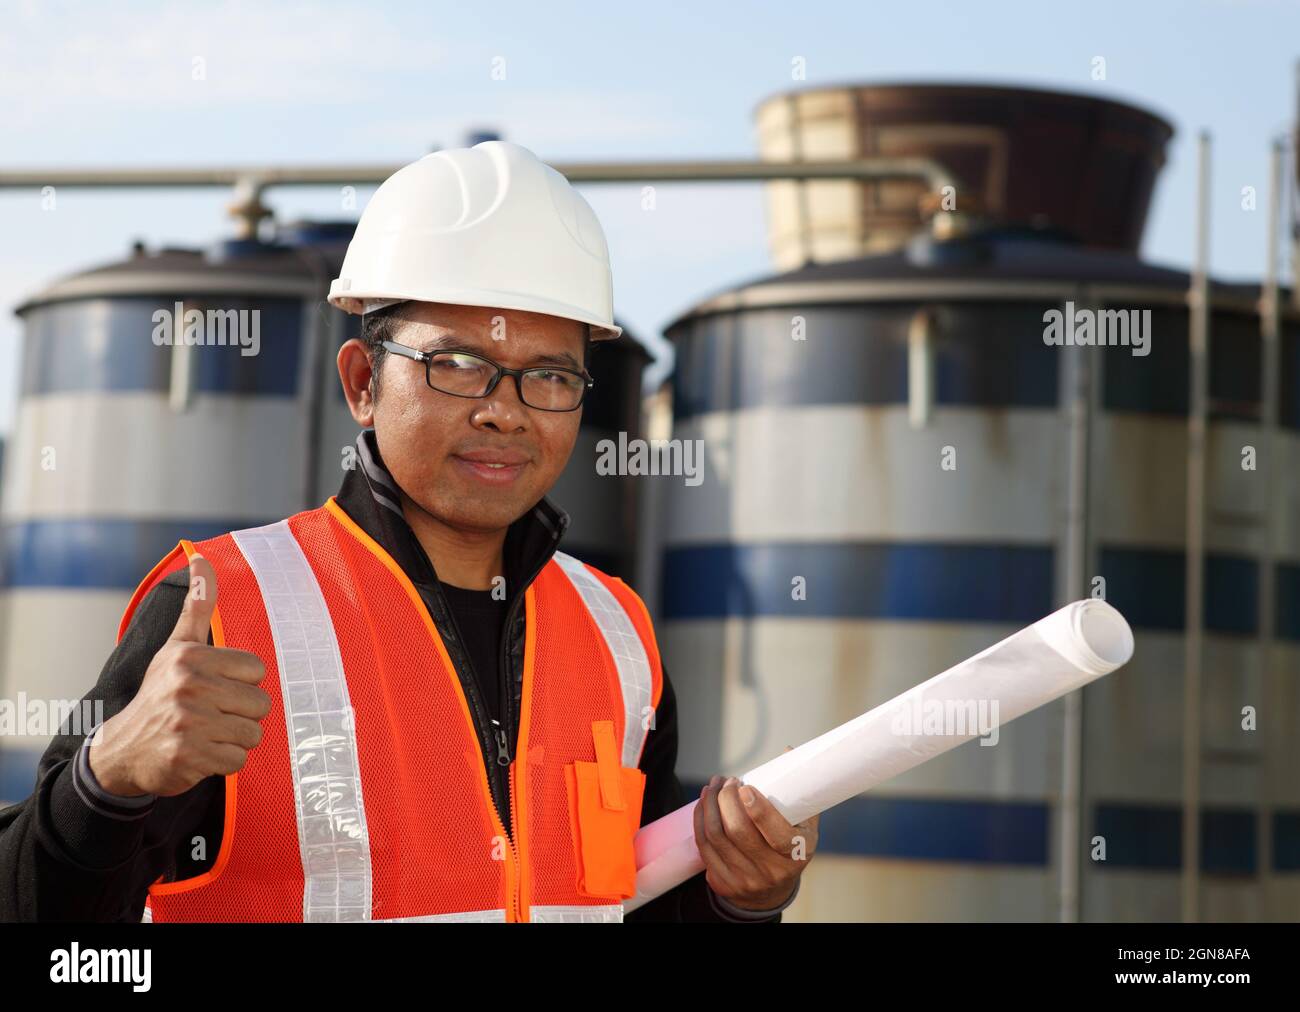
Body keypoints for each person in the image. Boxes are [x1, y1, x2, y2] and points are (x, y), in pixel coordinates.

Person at [0, 140, 817, 923]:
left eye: (549, 376)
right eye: (457, 365)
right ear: (362, 382)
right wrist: (104, 785)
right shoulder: (225, 609)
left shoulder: (617, 633)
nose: (505, 409)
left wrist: (735, 903)